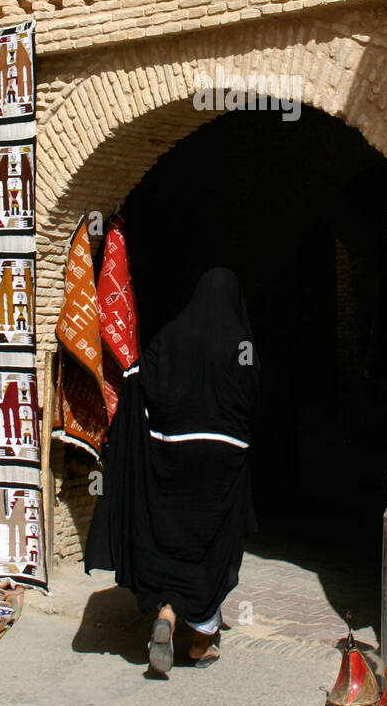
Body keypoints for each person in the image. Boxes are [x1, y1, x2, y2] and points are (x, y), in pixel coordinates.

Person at [85, 267, 261, 673]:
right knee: (211, 544)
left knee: (170, 536)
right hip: (222, 462)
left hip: (171, 456)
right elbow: (252, 396)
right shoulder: (240, 343)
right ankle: (201, 641)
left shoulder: (171, 336)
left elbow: (140, 378)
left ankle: (165, 613)